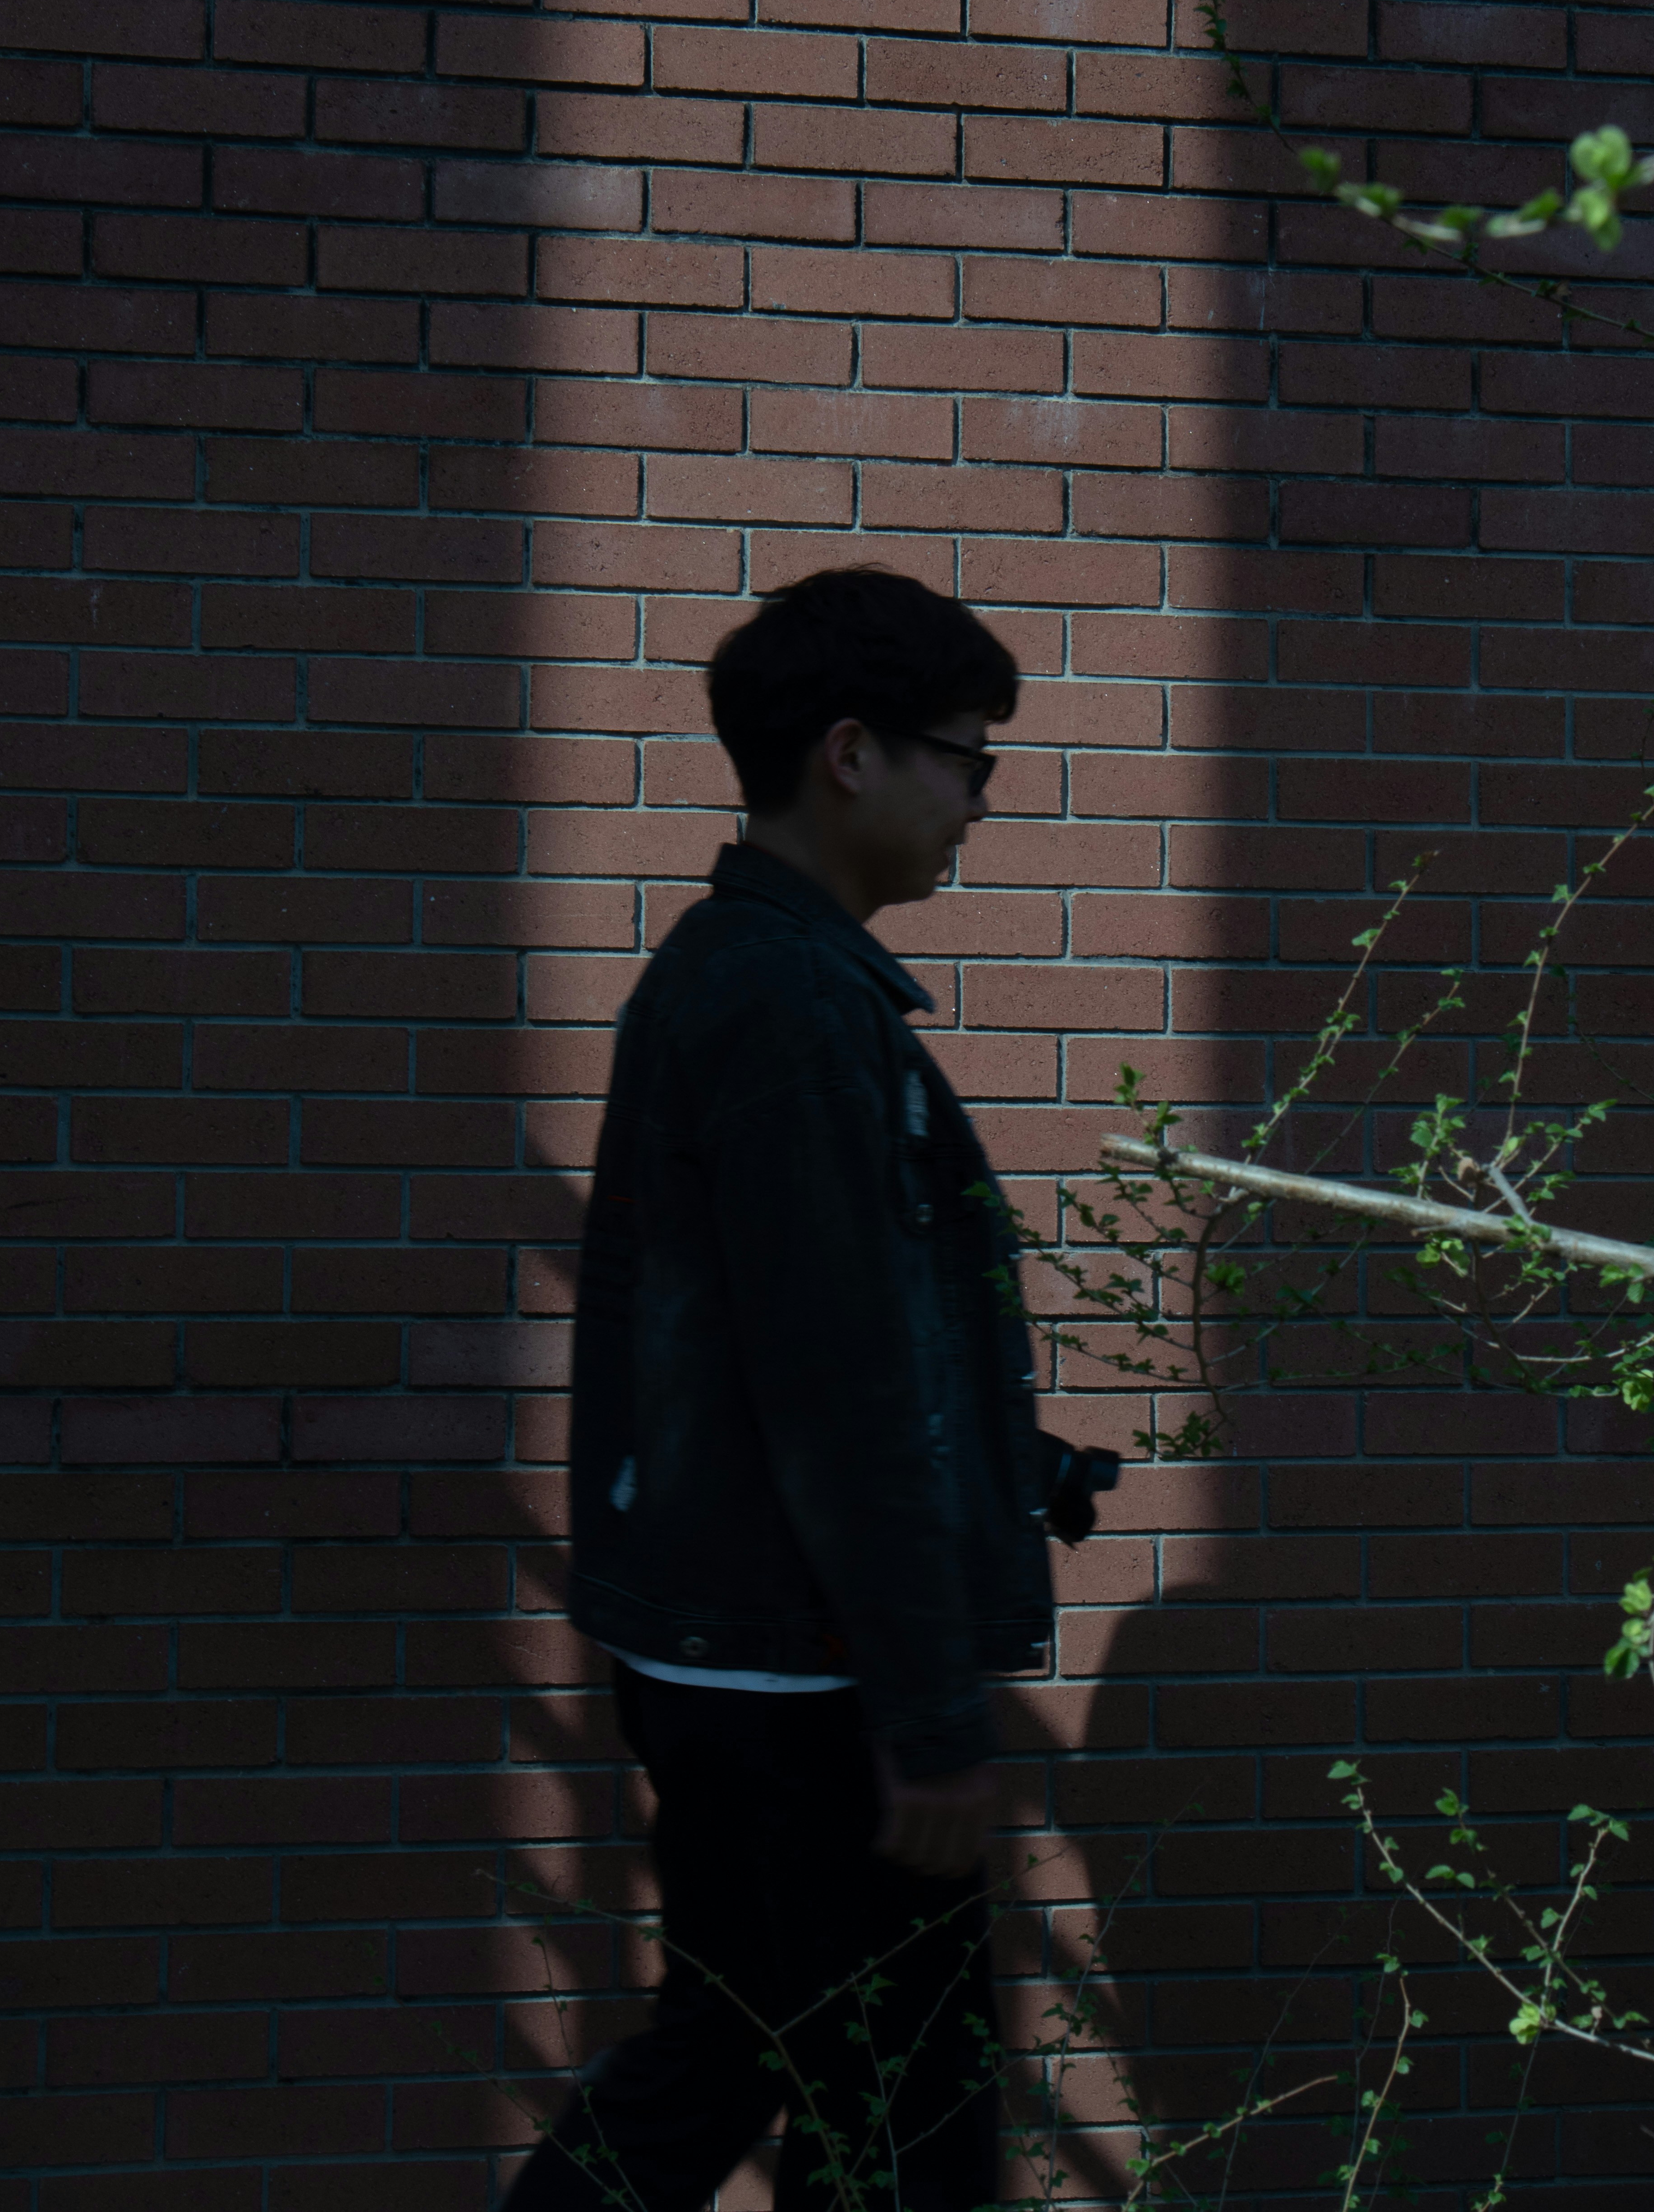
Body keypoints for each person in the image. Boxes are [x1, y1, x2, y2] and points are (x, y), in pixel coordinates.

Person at [501, 568, 1117, 2212]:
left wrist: (1006, 1463)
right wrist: (929, 1720)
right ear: (854, 751)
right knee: (894, 2129)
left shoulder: (759, 980)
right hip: (800, 1693)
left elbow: (792, 1348)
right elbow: (837, 1391)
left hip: (756, 1659)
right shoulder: (786, 1007)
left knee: (744, 2064)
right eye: (969, 758)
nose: (981, 802)